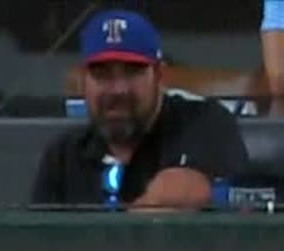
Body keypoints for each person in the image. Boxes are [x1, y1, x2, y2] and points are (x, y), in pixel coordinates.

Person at [30, 9, 247, 211]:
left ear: (159, 76)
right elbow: (38, 243)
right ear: (82, 82)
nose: (118, 89)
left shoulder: (204, 122)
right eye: (102, 74)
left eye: (132, 72)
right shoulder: (63, 156)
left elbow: (184, 192)